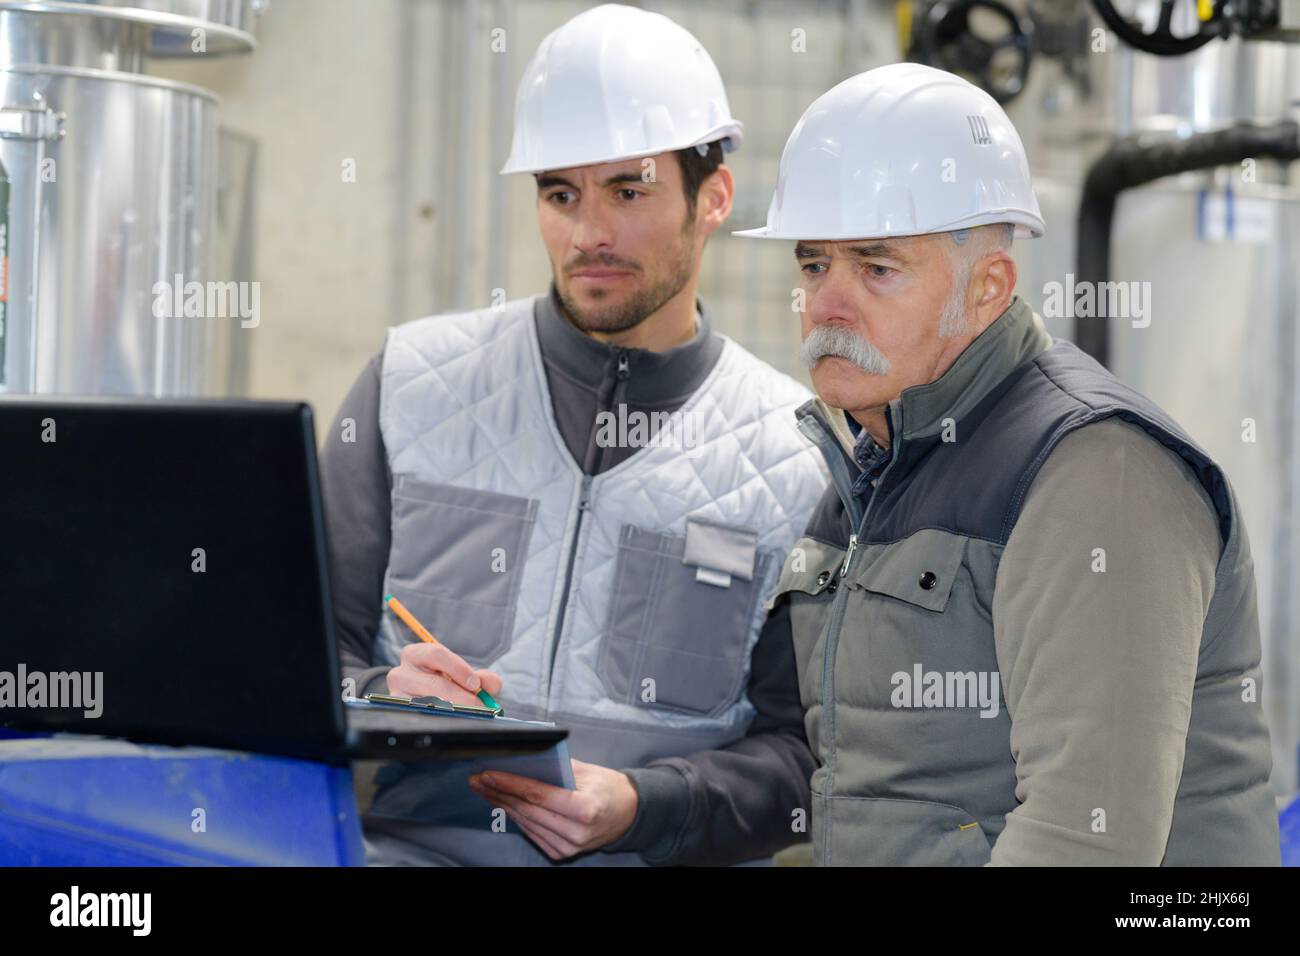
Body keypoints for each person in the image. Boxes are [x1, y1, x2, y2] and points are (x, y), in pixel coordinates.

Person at [320, 3, 827, 866]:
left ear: (713, 198)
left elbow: (805, 761)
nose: (589, 233)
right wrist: (373, 693)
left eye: (628, 191)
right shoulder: (410, 384)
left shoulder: (797, 458)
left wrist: (649, 805)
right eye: (562, 194)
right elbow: (295, 653)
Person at [738, 62, 1280, 865]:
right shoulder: (874, 469)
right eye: (815, 265)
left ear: (988, 288)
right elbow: (865, 794)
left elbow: (1083, 839)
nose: (825, 304)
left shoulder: (1098, 472)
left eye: (875, 267)